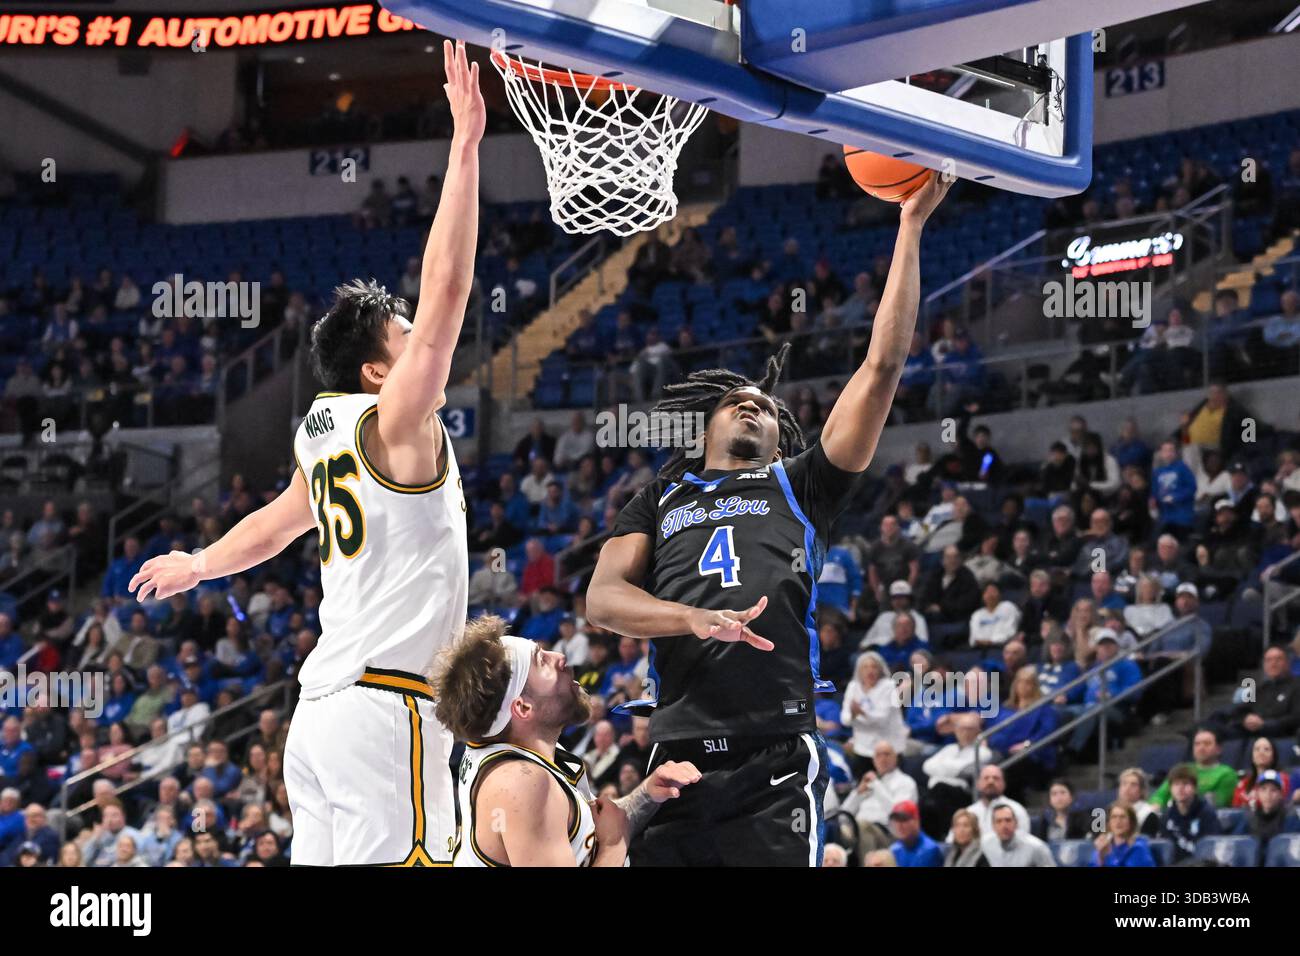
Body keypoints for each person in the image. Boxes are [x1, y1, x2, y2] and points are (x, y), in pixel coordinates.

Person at [127, 41, 484, 867]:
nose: (421, 346)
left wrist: (201, 563)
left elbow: (279, 523)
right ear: (377, 370)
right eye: (402, 340)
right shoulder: (395, 421)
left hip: (319, 717)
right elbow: (448, 297)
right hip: (386, 710)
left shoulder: (319, 433)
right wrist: (463, 148)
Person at [585, 176, 953, 866]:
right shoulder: (660, 497)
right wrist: (688, 618)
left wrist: (910, 227)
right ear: (708, 429)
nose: (754, 405)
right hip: (678, 764)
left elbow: (882, 367)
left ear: (782, 440)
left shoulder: (801, 483)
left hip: (775, 758)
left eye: (767, 407)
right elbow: (602, 601)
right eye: (737, 401)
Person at [432, 615, 699, 866]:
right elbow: (608, 836)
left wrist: (646, 794)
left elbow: (593, 829)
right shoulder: (519, 783)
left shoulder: (525, 749)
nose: (559, 657)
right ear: (523, 708)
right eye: (541, 661)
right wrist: (614, 845)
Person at [837, 739, 918, 855]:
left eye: (887, 754)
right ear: (873, 760)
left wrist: (876, 785)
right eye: (878, 755)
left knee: (863, 827)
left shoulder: (906, 782)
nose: (883, 758)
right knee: (832, 826)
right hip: (857, 830)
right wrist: (857, 793)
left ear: (896, 758)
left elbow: (898, 815)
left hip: (888, 834)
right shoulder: (867, 783)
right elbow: (843, 815)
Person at [1149, 728, 1239, 809]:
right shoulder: (1182, 769)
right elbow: (1159, 796)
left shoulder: (1227, 773)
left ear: (1218, 749)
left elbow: (1218, 803)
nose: (1201, 748)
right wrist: (1156, 806)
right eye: (1197, 744)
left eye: (1207, 744)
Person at [1157, 763, 1221, 862]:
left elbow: (1211, 849)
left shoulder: (1207, 813)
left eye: (1185, 784)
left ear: (1195, 788)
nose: (1180, 788)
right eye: (1176, 784)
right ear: (1170, 789)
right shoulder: (1166, 816)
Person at [980, 801, 1056, 867]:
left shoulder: (1036, 847)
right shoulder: (985, 844)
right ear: (993, 826)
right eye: (999, 821)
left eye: (1008, 820)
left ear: (1016, 823)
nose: (1004, 826)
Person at [1092, 801, 1156, 867]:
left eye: (1122, 817)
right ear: (1109, 823)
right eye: (1114, 817)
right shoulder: (1103, 846)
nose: (1118, 821)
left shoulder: (1139, 847)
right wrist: (1100, 857)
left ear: (1131, 822)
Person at [888, 800, 944, 867]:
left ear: (917, 821)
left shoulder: (929, 850)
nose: (899, 825)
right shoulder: (894, 849)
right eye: (896, 820)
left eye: (904, 819)